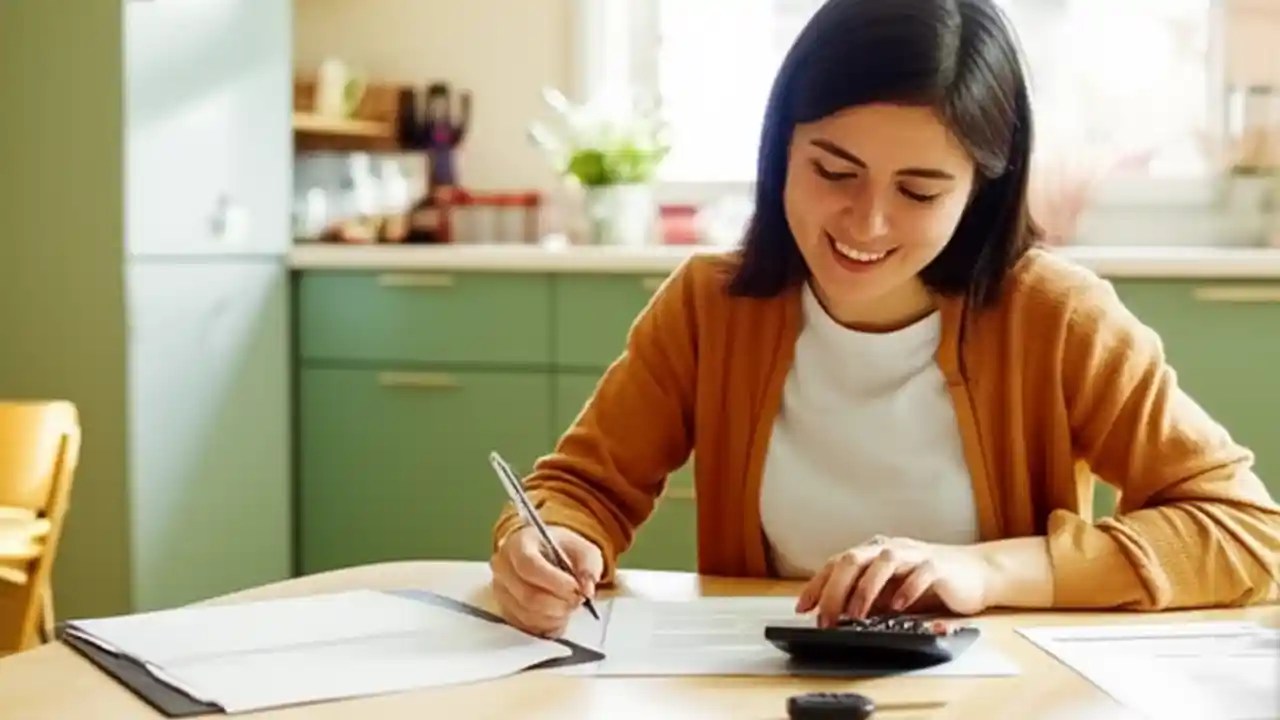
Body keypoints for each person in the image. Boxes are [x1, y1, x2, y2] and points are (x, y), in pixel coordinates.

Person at [489, 0, 1280, 637]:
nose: (865, 224)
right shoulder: (710, 306)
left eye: (920, 191)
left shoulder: (1058, 318)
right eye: (834, 171)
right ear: (780, 151)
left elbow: (1248, 533)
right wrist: (553, 543)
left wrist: (989, 572)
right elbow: (580, 490)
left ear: (981, 189)